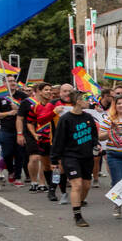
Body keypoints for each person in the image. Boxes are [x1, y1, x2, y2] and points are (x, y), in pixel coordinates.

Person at [51, 91, 105, 227]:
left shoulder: (88, 117)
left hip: (87, 156)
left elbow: (94, 135)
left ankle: (78, 202)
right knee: (77, 184)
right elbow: (58, 141)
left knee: (86, 186)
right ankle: (77, 215)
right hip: (70, 156)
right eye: (86, 99)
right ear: (78, 101)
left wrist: (96, 144)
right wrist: (54, 160)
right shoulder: (66, 119)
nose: (89, 102)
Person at [18, 83, 57, 198]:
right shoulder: (30, 104)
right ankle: (35, 182)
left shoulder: (54, 104)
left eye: (50, 90)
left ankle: (47, 184)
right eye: (46, 90)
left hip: (51, 136)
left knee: (51, 163)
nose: (49, 92)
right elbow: (24, 120)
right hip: (34, 135)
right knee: (36, 158)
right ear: (39, 91)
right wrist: (22, 134)